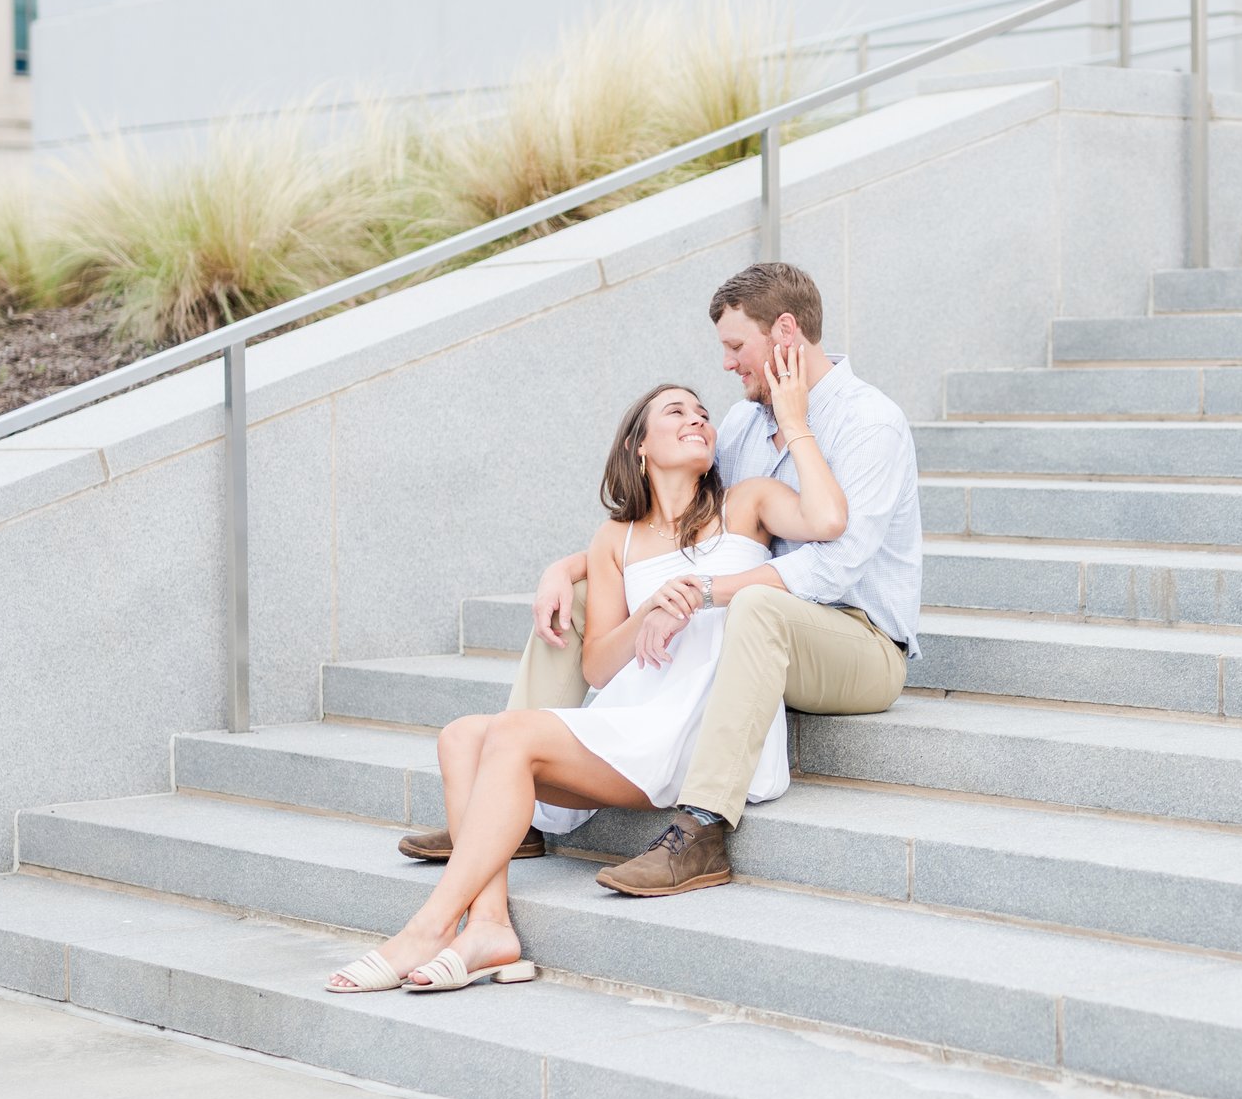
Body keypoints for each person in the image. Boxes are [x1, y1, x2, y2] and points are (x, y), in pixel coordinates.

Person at [392, 260, 923, 899]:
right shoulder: (743, 423)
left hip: (855, 639)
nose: (726, 365)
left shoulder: (870, 422)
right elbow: (683, 532)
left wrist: (700, 593)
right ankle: (518, 800)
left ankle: (701, 826)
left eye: (735, 346)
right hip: (758, 626)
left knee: (754, 601)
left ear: (785, 331)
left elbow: (834, 561)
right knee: (587, 598)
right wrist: (569, 568)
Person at [323, 358, 847, 994]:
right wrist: (649, 605)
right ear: (640, 445)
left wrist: (795, 425)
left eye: (703, 413)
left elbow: (827, 522)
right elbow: (599, 661)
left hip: (698, 726)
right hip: (633, 713)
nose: (698, 420)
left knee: (511, 735)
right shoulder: (614, 541)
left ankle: (429, 927)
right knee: (461, 735)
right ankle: (488, 925)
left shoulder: (748, 503)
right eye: (676, 412)